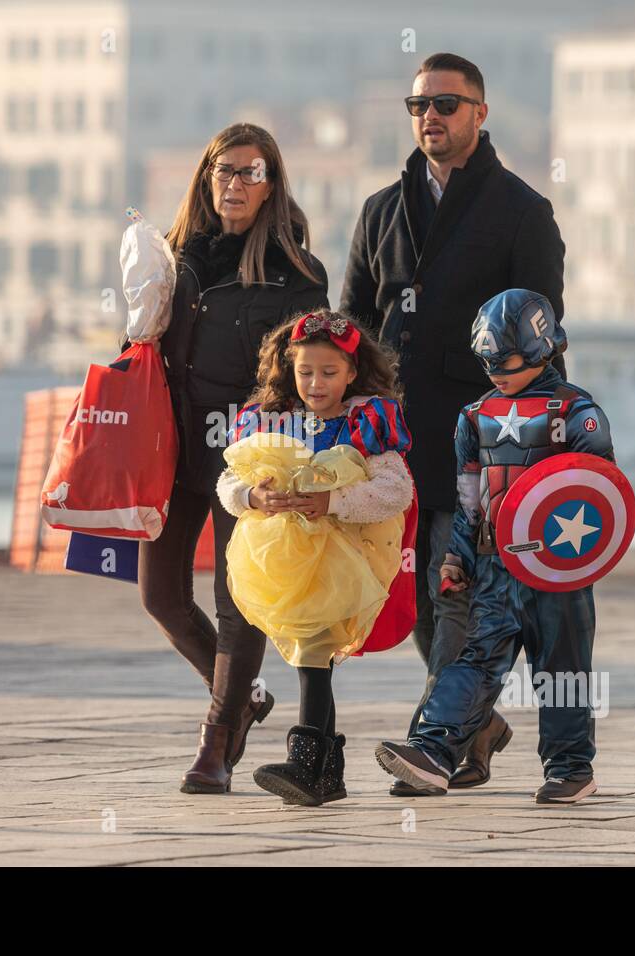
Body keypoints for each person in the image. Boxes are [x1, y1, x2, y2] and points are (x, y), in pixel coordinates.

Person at [340, 52, 567, 795]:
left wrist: (537, 436)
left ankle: (433, 743)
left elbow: (541, 330)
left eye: (445, 103)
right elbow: (353, 324)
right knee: (411, 602)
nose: (429, 117)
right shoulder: (380, 209)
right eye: (418, 106)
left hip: (480, 442)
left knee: (455, 590)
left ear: (480, 112)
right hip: (393, 443)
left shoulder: (521, 211)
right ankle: (478, 724)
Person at [124, 123, 329, 795]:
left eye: (250, 172)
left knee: (239, 599)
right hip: (173, 445)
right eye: (224, 171)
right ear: (206, 178)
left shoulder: (295, 274)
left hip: (248, 452)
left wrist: (280, 446)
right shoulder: (174, 256)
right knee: (159, 596)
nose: (234, 184)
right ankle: (241, 699)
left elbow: (306, 372)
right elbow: (144, 345)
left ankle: (217, 742)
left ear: (272, 186)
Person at [375, 289, 613, 804]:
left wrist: (580, 558)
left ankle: (571, 768)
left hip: (557, 569)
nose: (494, 372)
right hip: (495, 564)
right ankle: (433, 752)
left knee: (561, 669)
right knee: (475, 660)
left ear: (541, 347)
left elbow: (600, 493)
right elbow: (468, 498)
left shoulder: (578, 412)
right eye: (485, 362)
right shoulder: (474, 416)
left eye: (503, 360)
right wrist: (457, 556)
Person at [215, 309, 414, 806]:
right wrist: (253, 498)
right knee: (315, 653)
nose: (315, 383)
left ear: (352, 371)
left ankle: (309, 763)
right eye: (305, 372)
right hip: (286, 561)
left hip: (344, 556)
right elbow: (227, 483)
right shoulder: (270, 418)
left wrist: (334, 501)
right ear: (289, 367)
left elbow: (397, 491)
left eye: (329, 372)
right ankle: (326, 771)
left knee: (313, 652)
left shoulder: (366, 420)